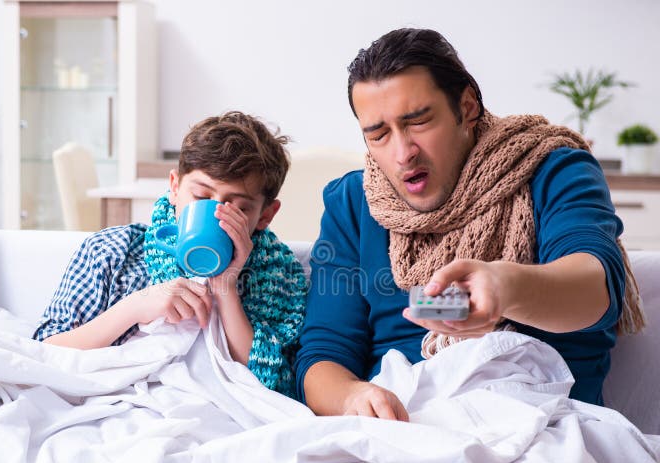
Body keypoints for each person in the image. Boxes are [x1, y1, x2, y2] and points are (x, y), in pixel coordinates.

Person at [294, 28, 645, 419]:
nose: (402, 153)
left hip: (545, 422)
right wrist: (352, 398)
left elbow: (597, 289)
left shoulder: (552, 169)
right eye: (378, 135)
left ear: (467, 107)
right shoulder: (352, 203)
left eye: (419, 122)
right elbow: (323, 356)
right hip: (402, 428)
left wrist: (505, 288)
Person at [34, 111, 307, 398]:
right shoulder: (112, 251)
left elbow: (275, 388)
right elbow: (43, 352)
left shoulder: (279, 277)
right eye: (201, 197)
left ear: (265, 216)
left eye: (238, 208)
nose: (216, 214)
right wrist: (136, 306)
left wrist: (227, 287)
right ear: (175, 187)